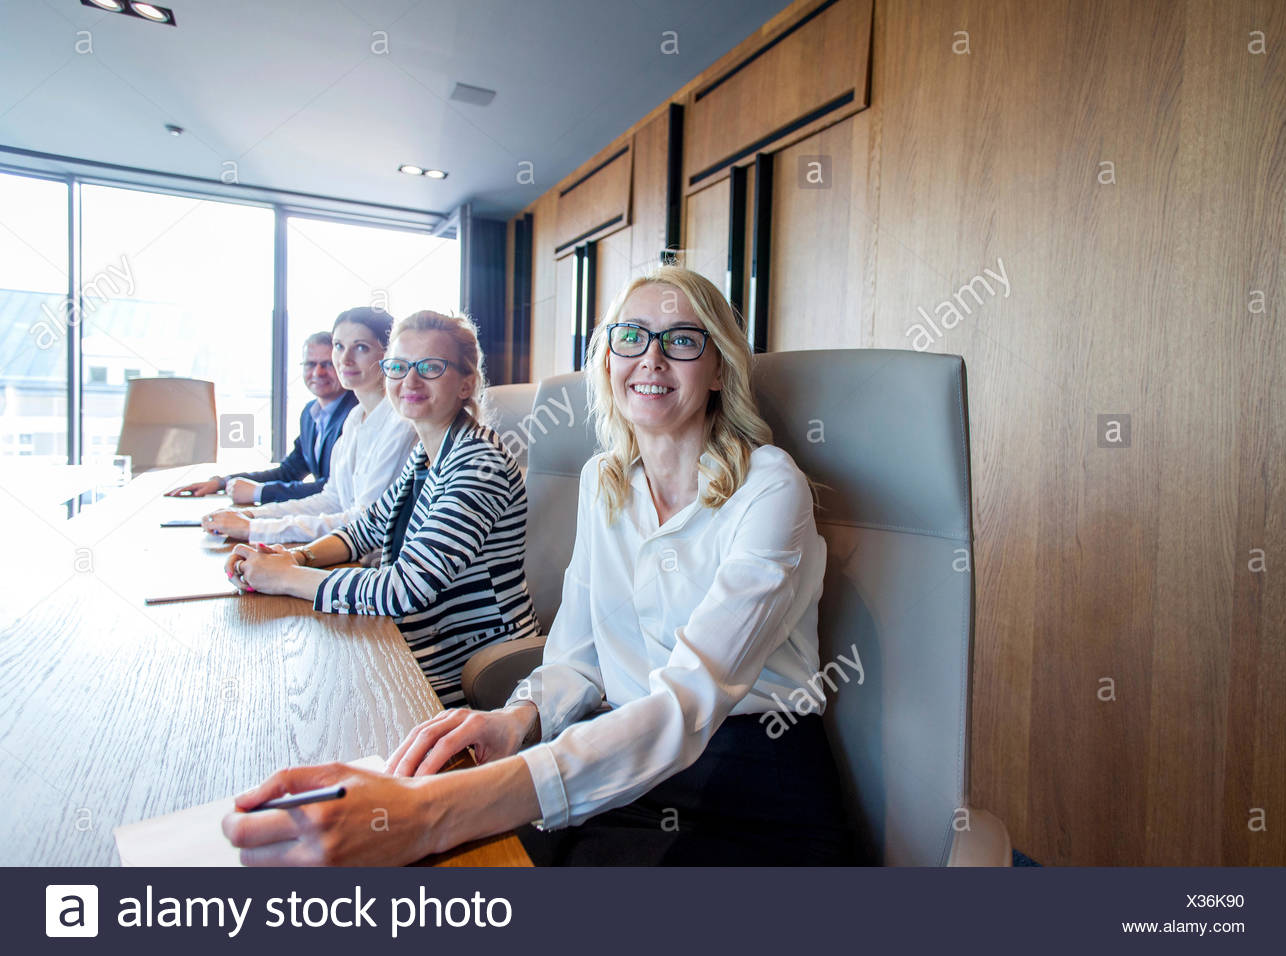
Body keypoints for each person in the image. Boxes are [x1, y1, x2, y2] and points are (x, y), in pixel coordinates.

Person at [222, 267, 854, 866]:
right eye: (631, 336)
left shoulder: (769, 486)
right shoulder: (605, 481)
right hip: (613, 754)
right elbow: (577, 656)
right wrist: (517, 718)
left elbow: (689, 702)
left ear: (719, 369)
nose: (651, 358)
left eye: (682, 340)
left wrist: (434, 813)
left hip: (743, 781)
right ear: (608, 360)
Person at [221, 309, 540, 706]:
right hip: (418, 642)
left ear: (466, 384)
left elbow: (406, 588)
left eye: (430, 367)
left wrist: (286, 578)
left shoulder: (479, 463)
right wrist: (295, 557)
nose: (410, 381)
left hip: (470, 664)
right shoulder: (427, 454)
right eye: (398, 367)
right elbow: (367, 528)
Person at [199, 308, 416, 544]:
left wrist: (255, 528)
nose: (345, 359)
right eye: (339, 346)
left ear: (389, 355)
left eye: (361, 347)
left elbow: (366, 523)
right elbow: (332, 500)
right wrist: (253, 515)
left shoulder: (401, 424)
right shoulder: (355, 418)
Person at [165, 332, 357, 504]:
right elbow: (288, 472)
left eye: (327, 364)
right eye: (310, 364)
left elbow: (335, 489)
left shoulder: (356, 413)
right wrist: (223, 482)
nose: (318, 372)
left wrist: (259, 493)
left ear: (341, 365)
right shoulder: (310, 413)